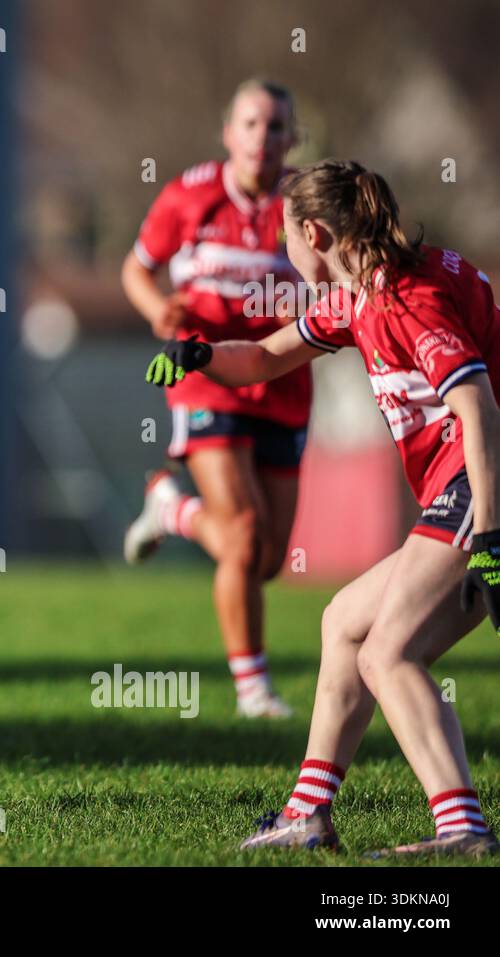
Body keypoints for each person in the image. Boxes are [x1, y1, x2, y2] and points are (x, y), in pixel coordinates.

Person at [146, 158, 500, 857]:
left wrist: (489, 536)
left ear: (314, 231)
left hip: (481, 487)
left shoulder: (406, 297)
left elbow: (479, 408)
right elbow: (264, 358)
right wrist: (198, 353)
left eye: (288, 240)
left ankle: (462, 827)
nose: (285, 253)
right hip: (463, 492)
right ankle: (307, 812)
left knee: (389, 653)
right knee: (344, 623)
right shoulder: (359, 294)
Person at [121, 79, 305, 718]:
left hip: (282, 379)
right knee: (246, 534)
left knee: (269, 559)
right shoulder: (190, 194)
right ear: (229, 133)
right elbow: (136, 269)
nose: (264, 138)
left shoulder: (304, 204)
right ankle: (254, 690)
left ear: (293, 139)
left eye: (276, 126)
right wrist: (158, 312)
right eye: (251, 124)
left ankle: (171, 511)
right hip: (201, 372)